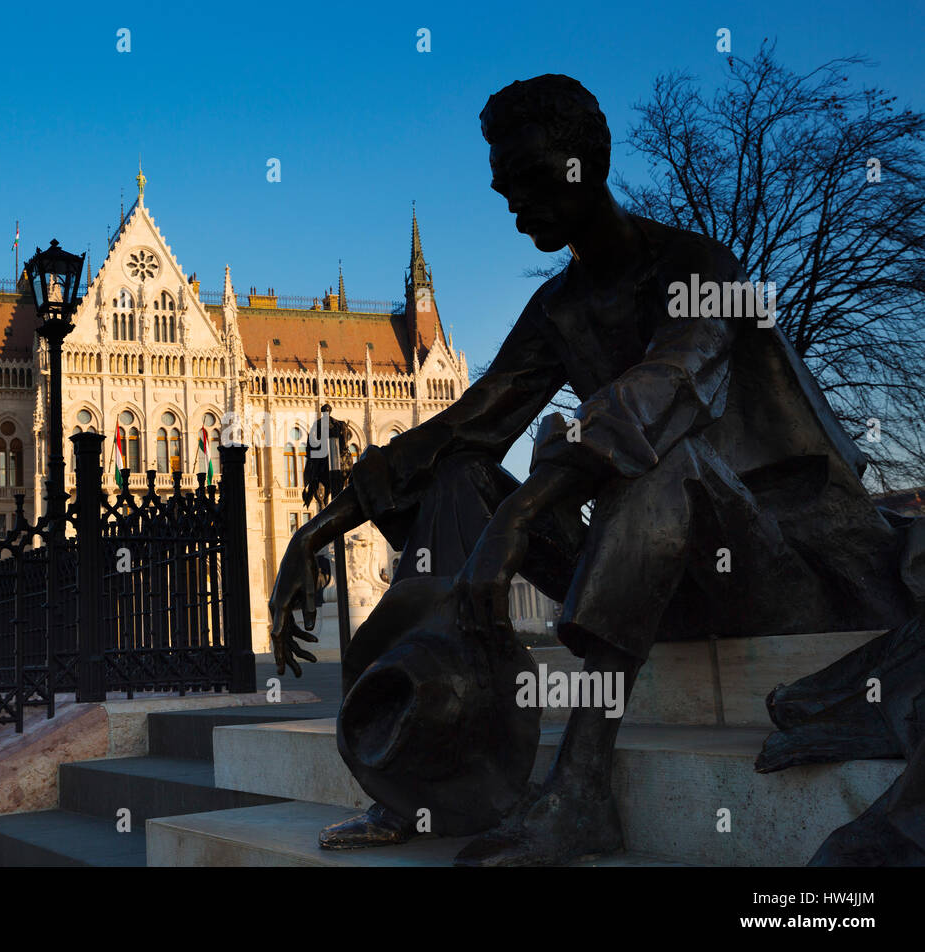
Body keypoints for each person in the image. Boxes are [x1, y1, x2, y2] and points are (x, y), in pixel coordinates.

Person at [267, 74, 917, 865]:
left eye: (535, 180)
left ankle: (579, 790)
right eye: (507, 191)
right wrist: (320, 526)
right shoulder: (561, 305)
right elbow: (469, 423)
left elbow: (665, 391)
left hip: (779, 566)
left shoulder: (700, 264)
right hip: (660, 578)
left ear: (590, 162)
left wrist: (522, 513)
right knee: (459, 474)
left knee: (661, 463)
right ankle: (428, 751)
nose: (519, 208)